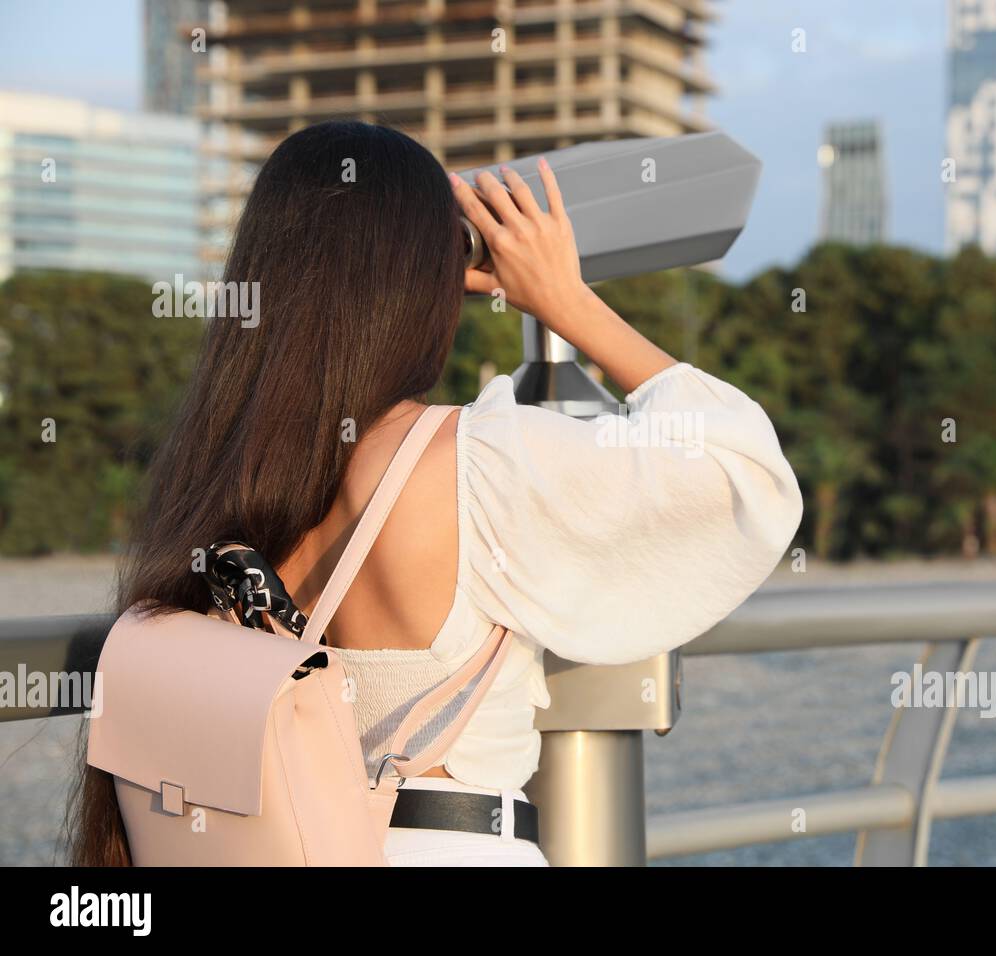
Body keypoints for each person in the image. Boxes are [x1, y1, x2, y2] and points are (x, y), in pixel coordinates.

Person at [68, 121, 803, 866]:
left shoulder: (218, 472)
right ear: (424, 278)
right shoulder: (477, 461)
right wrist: (563, 300)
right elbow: (746, 474)